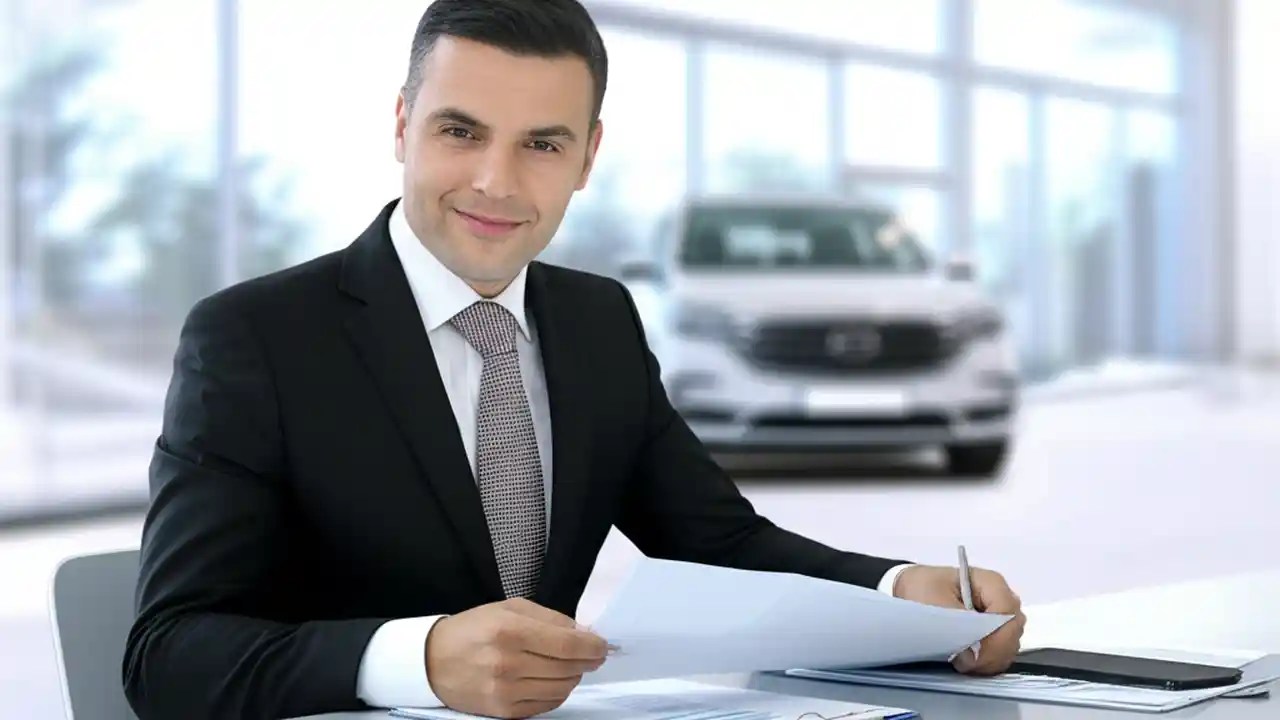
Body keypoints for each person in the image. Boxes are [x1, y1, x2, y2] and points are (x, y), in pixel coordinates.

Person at [121, 1, 1026, 718]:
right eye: (460, 132)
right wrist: (417, 658)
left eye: (542, 144)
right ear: (402, 125)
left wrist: (901, 594)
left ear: (587, 156)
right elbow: (168, 654)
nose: (496, 182)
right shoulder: (254, 339)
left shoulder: (598, 320)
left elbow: (720, 543)